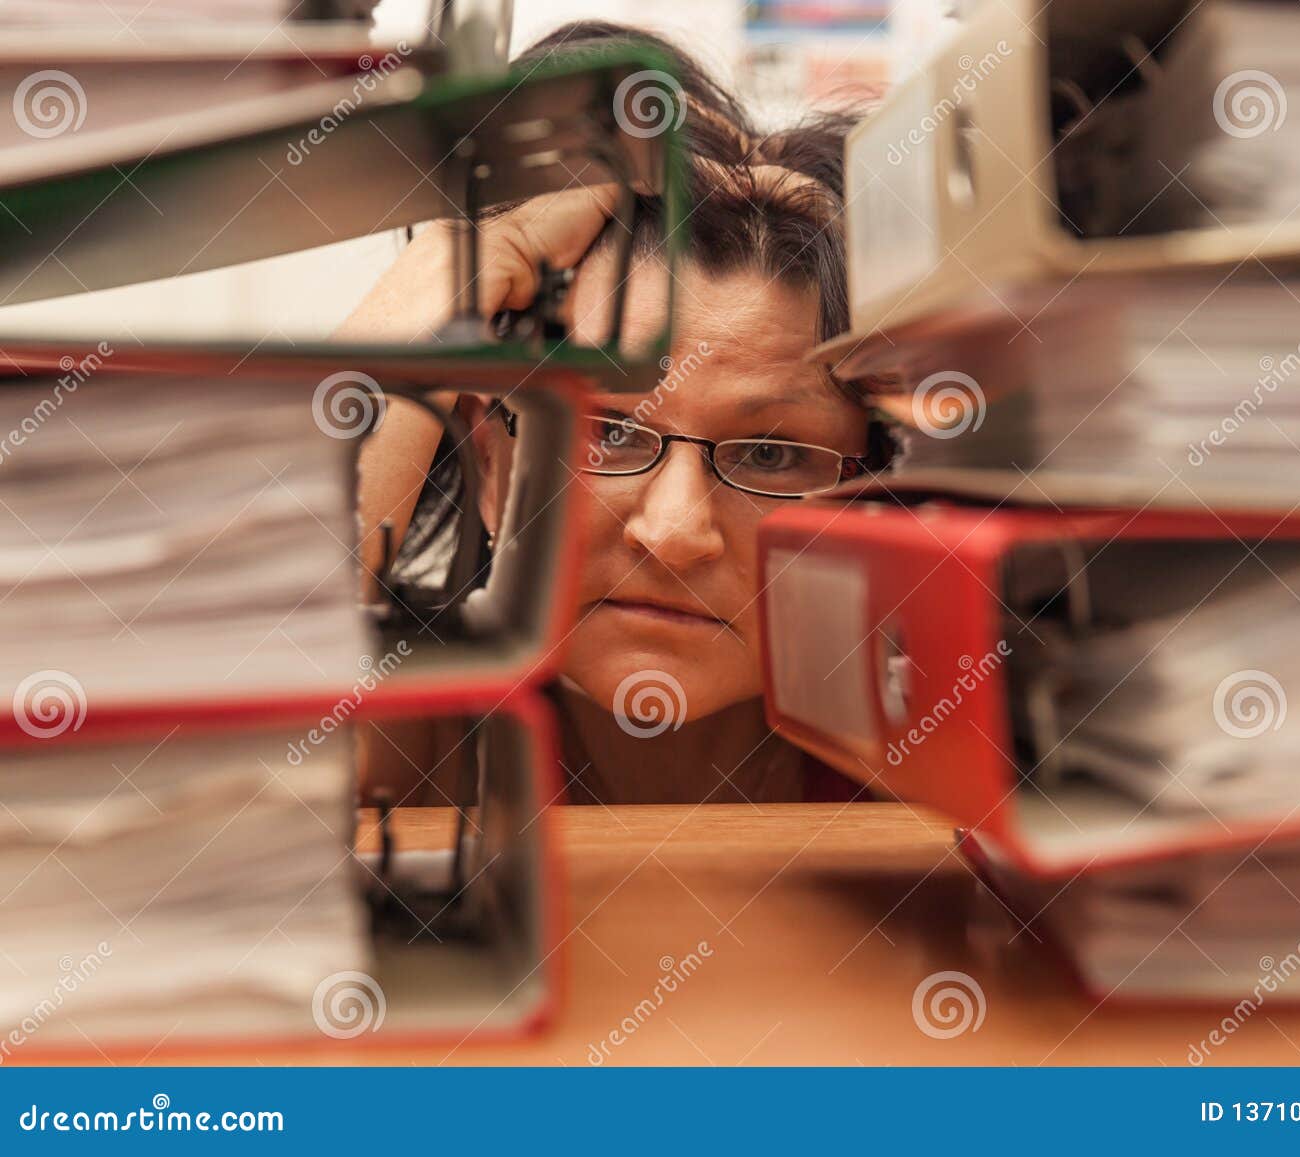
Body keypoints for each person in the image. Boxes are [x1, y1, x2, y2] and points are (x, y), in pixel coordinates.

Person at [343, 22, 894, 805]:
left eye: (769, 453)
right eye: (610, 430)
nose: (673, 535)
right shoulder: (408, 749)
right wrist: (480, 260)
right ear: (490, 460)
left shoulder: (946, 762)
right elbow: (222, 657)